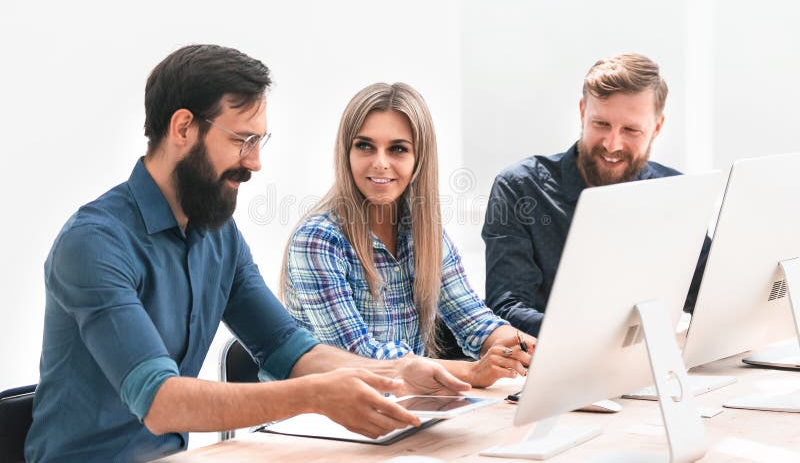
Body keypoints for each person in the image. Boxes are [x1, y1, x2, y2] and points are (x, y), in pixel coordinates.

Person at [25, 46, 470, 462]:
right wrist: (316, 394)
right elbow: (160, 403)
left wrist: (395, 373)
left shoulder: (219, 235)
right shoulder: (94, 244)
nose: (255, 162)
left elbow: (288, 348)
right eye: (243, 140)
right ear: (183, 128)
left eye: (260, 142)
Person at [281, 82, 534, 388]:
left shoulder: (424, 236)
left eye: (398, 149)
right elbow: (360, 357)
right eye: (364, 146)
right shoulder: (318, 240)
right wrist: (471, 372)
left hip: (404, 411)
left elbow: (474, 321)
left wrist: (525, 349)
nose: (380, 162)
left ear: (419, 159)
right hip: (320, 424)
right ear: (345, 152)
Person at [482, 53, 709, 337]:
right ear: (582, 112)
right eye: (601, 124)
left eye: (630, 130)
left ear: (657, 128)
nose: (612, 144)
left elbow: (709, 298)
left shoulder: (675, 192)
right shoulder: (520, 188)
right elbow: (506, 308)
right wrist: (598, 336)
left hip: (650, 366)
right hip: (554, 368)